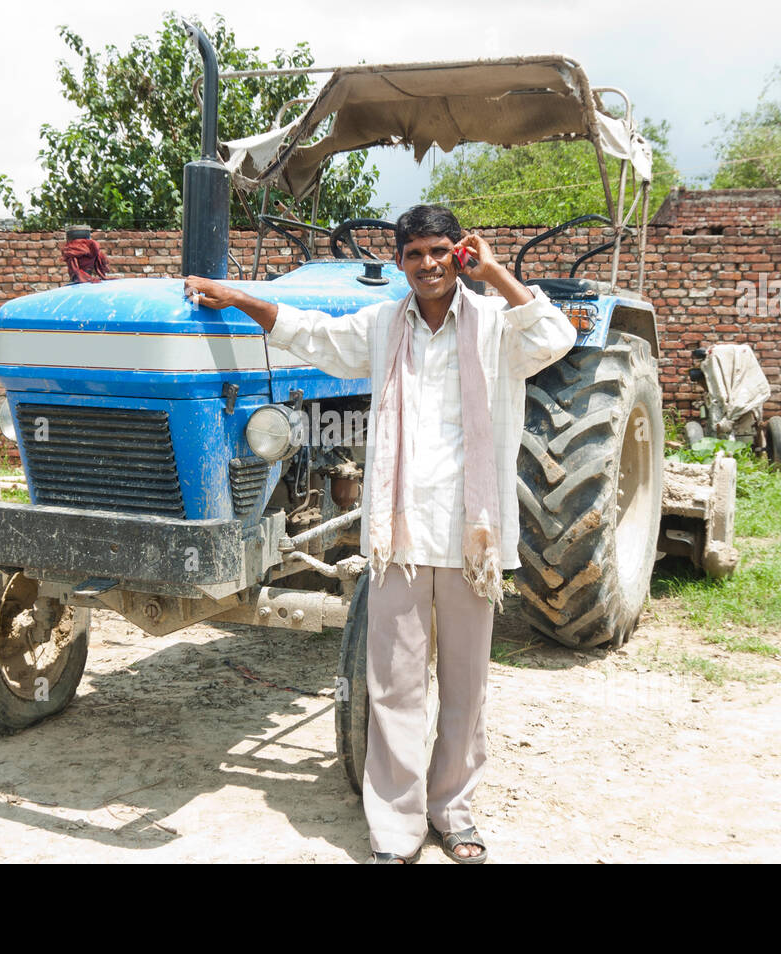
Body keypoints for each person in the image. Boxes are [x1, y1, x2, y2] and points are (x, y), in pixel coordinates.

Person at [184, 205, 576, 863]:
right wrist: (238, 297)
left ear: (459, 254)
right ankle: (396, 828)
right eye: (415, 253)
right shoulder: (381, 327)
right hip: (399, 534)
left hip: (468, 538)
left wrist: (498, 275)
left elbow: (557, 338)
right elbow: (310, 335)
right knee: (394, 684)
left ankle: (453, 810)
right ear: (399, 262)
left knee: (465, 684)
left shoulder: (494, 327)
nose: (428, 264)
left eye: (440, 251)